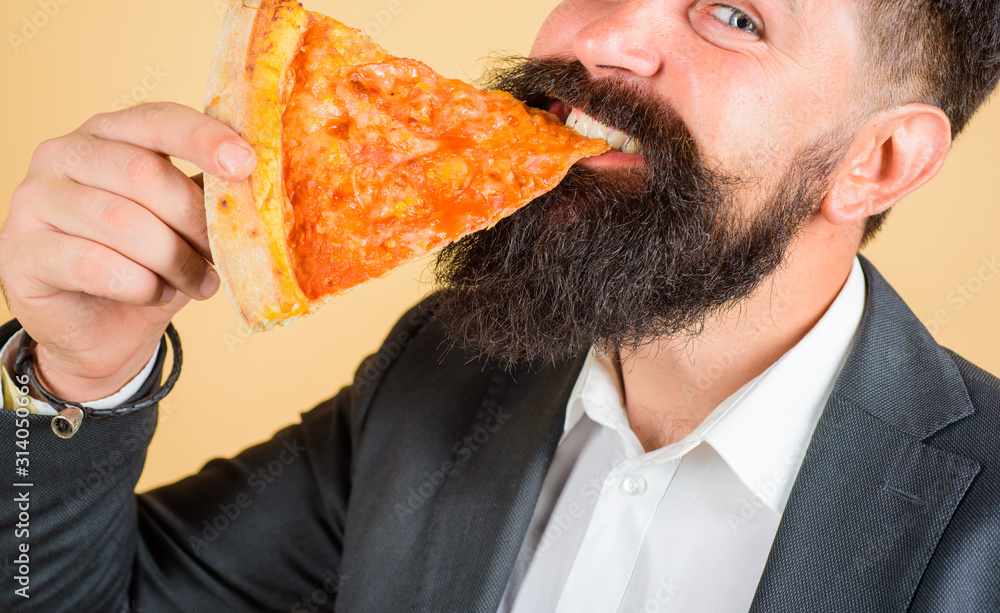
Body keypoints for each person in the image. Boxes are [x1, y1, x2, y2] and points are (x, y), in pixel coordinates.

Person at [1, 0, 999, 611]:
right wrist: (80, 376)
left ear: (877, 162)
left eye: (731, 16)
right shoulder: (441, 375)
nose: (601, 36)